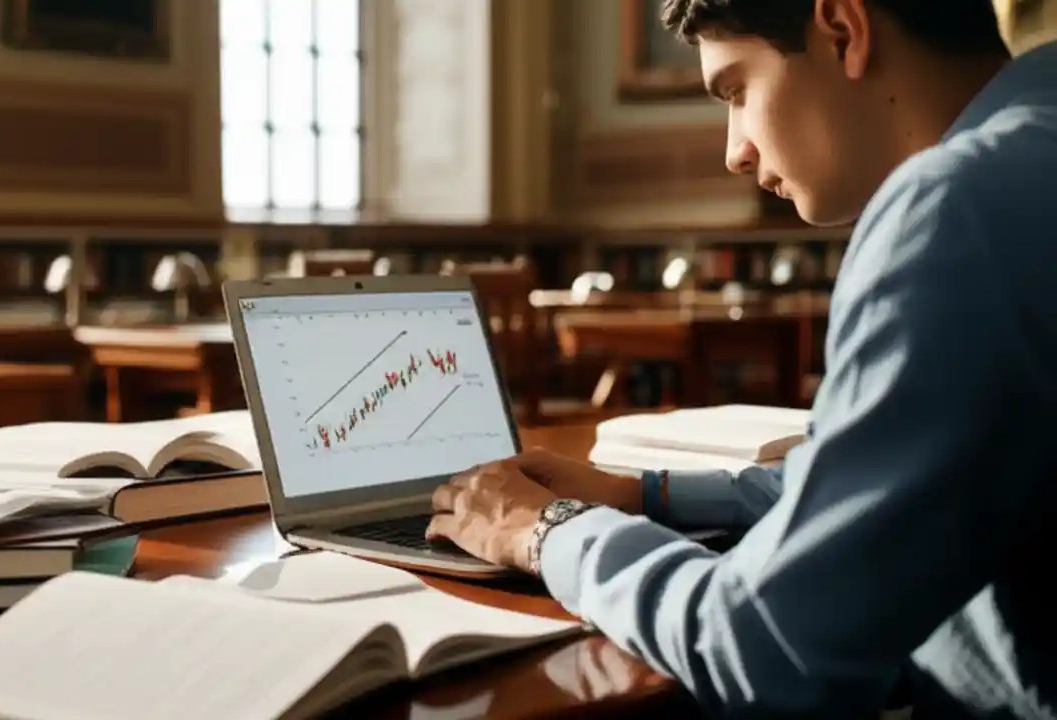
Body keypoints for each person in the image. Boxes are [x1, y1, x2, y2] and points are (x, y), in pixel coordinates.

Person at [425, 0, 1057, 717]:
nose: (736, 151)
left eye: (736, 91)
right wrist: (644, 498)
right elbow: (866, 480)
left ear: (843, 30)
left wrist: (544, 531)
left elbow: (768, 648)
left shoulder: (955, 209)